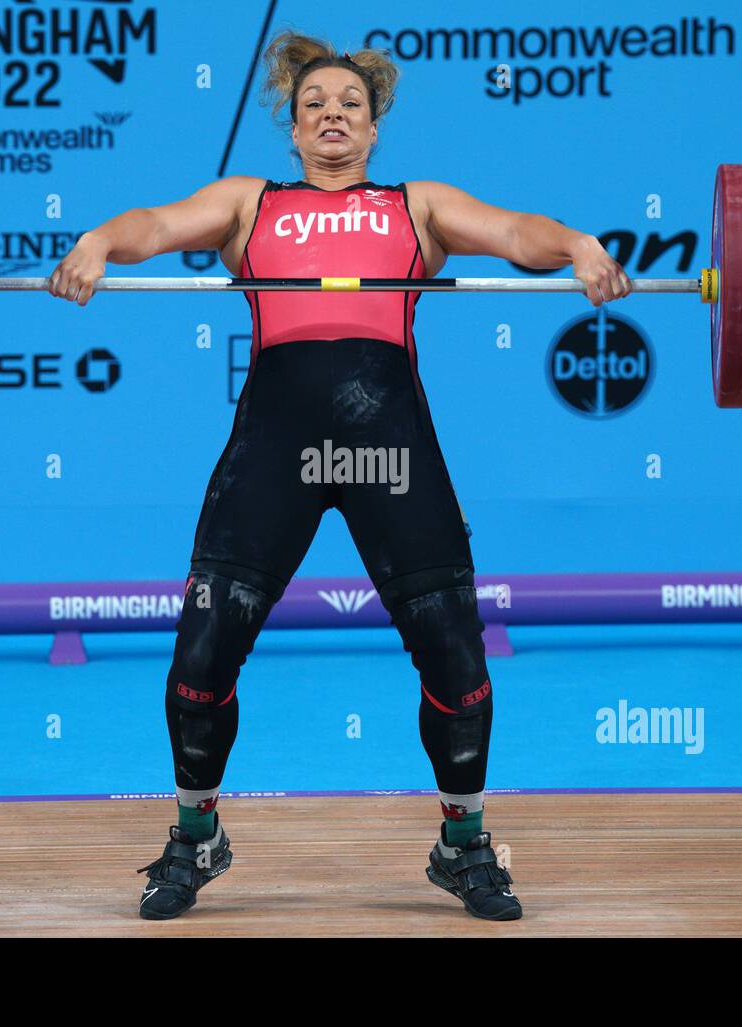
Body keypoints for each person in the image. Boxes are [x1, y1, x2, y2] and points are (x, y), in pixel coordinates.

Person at [48, 30, 630, 922]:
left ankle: (463, 842)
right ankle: (194, 833)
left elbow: (518, 233)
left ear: (373, 124)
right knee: (200, 657)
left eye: (349, 104)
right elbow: (156, 227)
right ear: (292, 123)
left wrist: (581, 245)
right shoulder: (252, 204)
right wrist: (96, 242)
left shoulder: (416, 205)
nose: (332, 114)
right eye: (315, 102)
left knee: (456, 656)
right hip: (275, 444)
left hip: (387, 445)